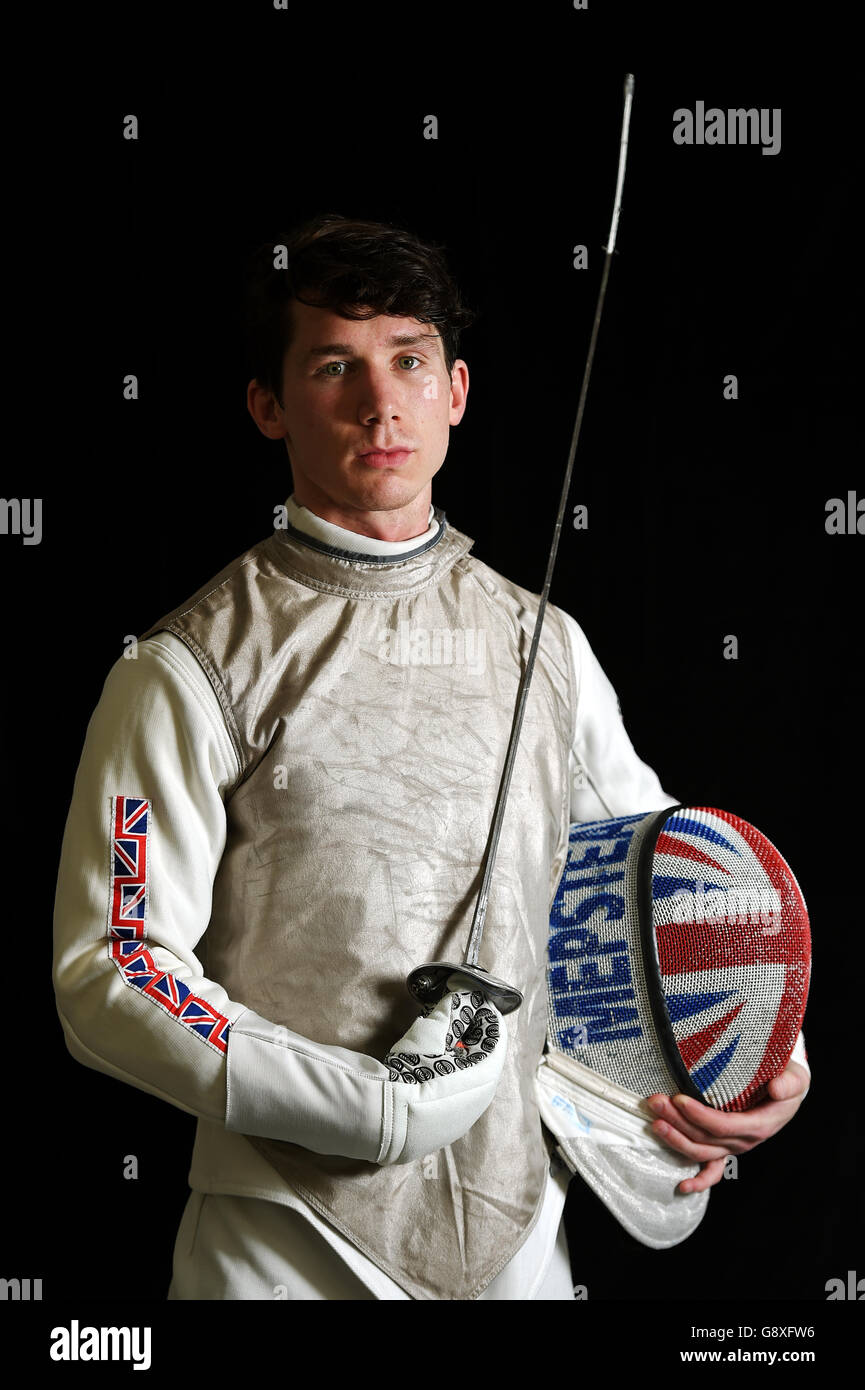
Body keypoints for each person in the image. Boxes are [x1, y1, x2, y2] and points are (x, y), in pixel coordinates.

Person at [52, 214, 810, 1301]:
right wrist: (365, 1106)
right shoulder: (188, 668)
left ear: (455, 389)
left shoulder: (542, 643)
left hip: (519, 1232)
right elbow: (111, 968)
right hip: (284, 1240)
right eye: (333, 366)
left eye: (408, 360)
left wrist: (762, 1040)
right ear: (268, 404)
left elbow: (655, 878)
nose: (379, 401)